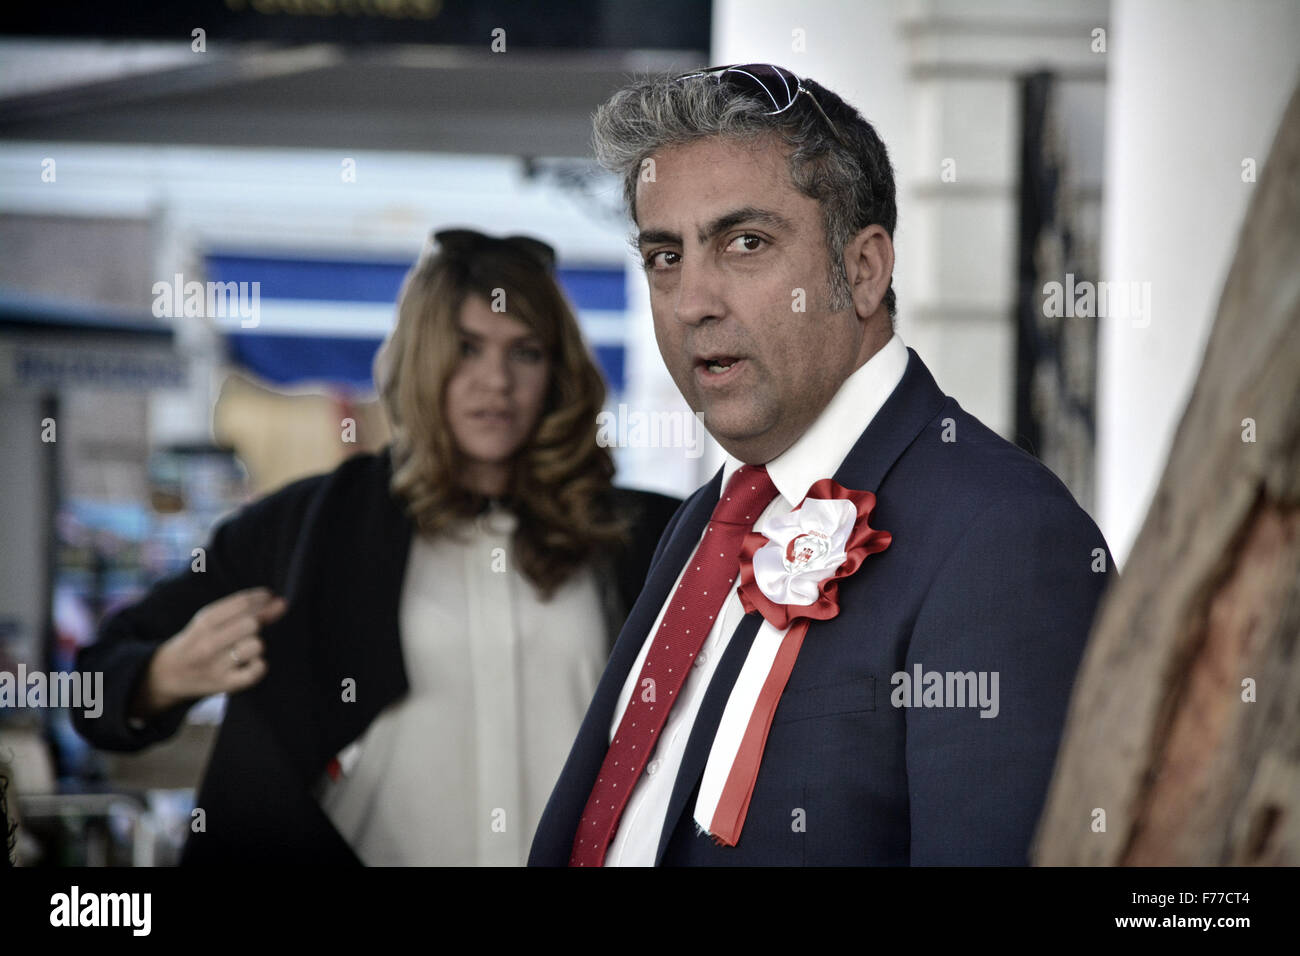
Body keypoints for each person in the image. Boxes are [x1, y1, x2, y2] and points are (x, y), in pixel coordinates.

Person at [529, 64, 1117, 866]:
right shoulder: (708, 517)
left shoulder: (1006, 539)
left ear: (865, 270)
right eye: (665, 256)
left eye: (745, 243)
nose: (692, 299)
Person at [73, 228, 680, 865]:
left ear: (557, 372)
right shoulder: (310, 524)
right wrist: (163, 675)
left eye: (524, 352)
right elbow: (91, 684)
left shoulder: (639, 536)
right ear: (422, 360)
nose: (495, 380)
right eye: (467, 349)